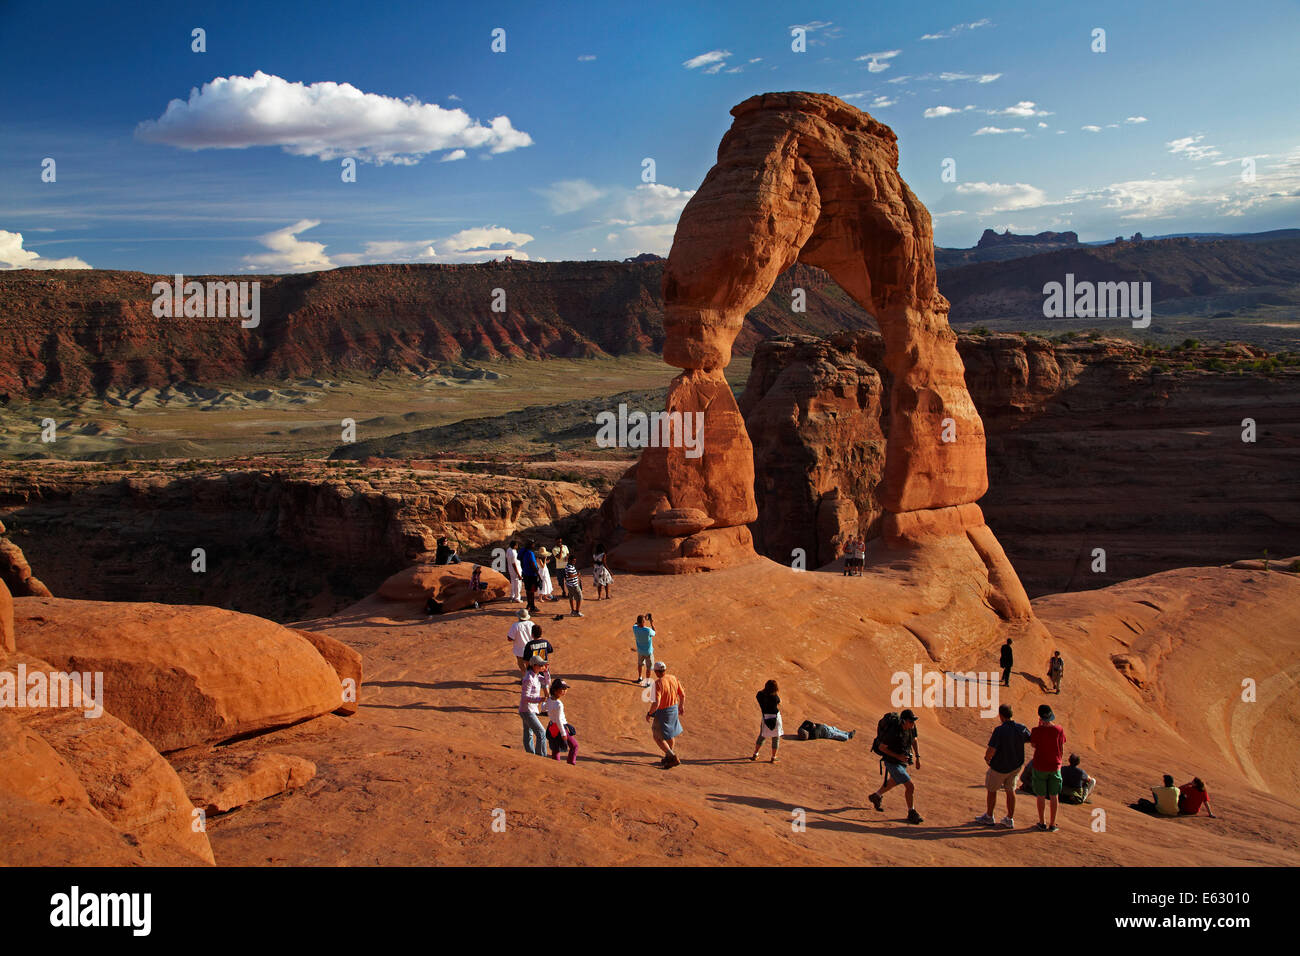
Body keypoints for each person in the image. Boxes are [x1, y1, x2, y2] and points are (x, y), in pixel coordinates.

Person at [976, 703, 1030, 829]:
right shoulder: (1021, 728)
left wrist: (987, 758)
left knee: (992, 790)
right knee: (1010, 790)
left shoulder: (999, 730)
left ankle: (989, 816)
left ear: (1001, 715)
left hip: (999, 766)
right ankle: (1009, 818)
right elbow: (1031, 739)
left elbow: (991, 749)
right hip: (1015, 766)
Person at [868, 709, 923, 824]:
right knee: (910, 786)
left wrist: (917, 757)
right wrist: (899, 757)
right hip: (891, 761)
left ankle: (876, 796)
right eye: (910, 721)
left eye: (913, 721)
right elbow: (882, 748)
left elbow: (914, 740)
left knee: (895, 780)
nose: (912, 723)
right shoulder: (893, 732)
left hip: (901, 761)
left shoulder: (911, 727)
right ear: (903, 721)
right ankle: (911, 812)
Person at [1028, 703, 1066, 831]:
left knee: (1041, 795)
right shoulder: (1059, 729)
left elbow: (1033, 744)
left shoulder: (1036, 730)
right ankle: (1052, 824)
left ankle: (1042, 822)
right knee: (1054, 795)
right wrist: (1060, 760)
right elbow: (1061, 746)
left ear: (1040, 717)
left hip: (1040, 766)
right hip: (1055, 766)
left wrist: (1039, 727)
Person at [646, 661, 685, 768]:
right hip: (674, 709)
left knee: (657, 737)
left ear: (657, 672)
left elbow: (656, 703)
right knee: (670, 734)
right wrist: (681, 706)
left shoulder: (658, 683)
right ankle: (668, 756)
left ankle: (672, 757)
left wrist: (649, 713)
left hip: (663, 712)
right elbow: (682, 695)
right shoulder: (673, 678)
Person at [518, 657, 550, 758]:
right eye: (540, 665)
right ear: (534, 665)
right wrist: (540, 699)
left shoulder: (536, 676)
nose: (542, 666)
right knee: (541, 732)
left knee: (528, 732)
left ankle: (530, 756)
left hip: (530, 709)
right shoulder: (528, 679)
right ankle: (541, 756)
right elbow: (525, 697)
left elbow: (547, 682)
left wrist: (546, 672)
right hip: (527, 710)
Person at [543, 678, 578, 766]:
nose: (564, 691)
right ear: (555, 690)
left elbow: (544, 709)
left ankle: (556, 766)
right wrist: (563, 734)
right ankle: (571, 764)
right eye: (562, 689)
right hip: (560, 727)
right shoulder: (558, 704)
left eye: (565, 689)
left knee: (556, 748)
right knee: (574, 746)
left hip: (552, 727)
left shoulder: (550, 699)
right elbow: (559, 720)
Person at [751, 679, 782, 763]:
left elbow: (760, 694)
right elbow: (779, 702)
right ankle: (773, 757)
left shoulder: (759, 695)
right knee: (776, 738)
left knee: (762, 735)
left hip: (765, 717)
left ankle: (755, 754)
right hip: (775, 717)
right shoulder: (775, 697)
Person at [631, 613, 655, 685]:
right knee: (648, 668)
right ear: (644, 622)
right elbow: (654, 632)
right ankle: (647, 682)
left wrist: (643, 618)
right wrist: (651, 623)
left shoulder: (634, 628)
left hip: (640, 652)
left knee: (640, 665)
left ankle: (640, 678)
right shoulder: (648, 630)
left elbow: (635, 624)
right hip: (648, 652)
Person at [508, 609, 533, 673]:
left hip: (520, 650)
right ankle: (531, 678)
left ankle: (525, 677)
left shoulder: (515, 626)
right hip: (531, 648)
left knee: (521, 665)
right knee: (530, 665)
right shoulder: (531, 624)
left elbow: (510, 639)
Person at [520, 540, 540, 613]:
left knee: (528, 590)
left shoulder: (523, 551)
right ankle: (532, 606)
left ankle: (529, 604)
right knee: (532, 591)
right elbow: (533, 565)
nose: (534, 546)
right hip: (532, 575)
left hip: (525, 573)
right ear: (531, 545)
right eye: (533, 544)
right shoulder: (530, 553)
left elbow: (520, 559)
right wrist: (538, 574)